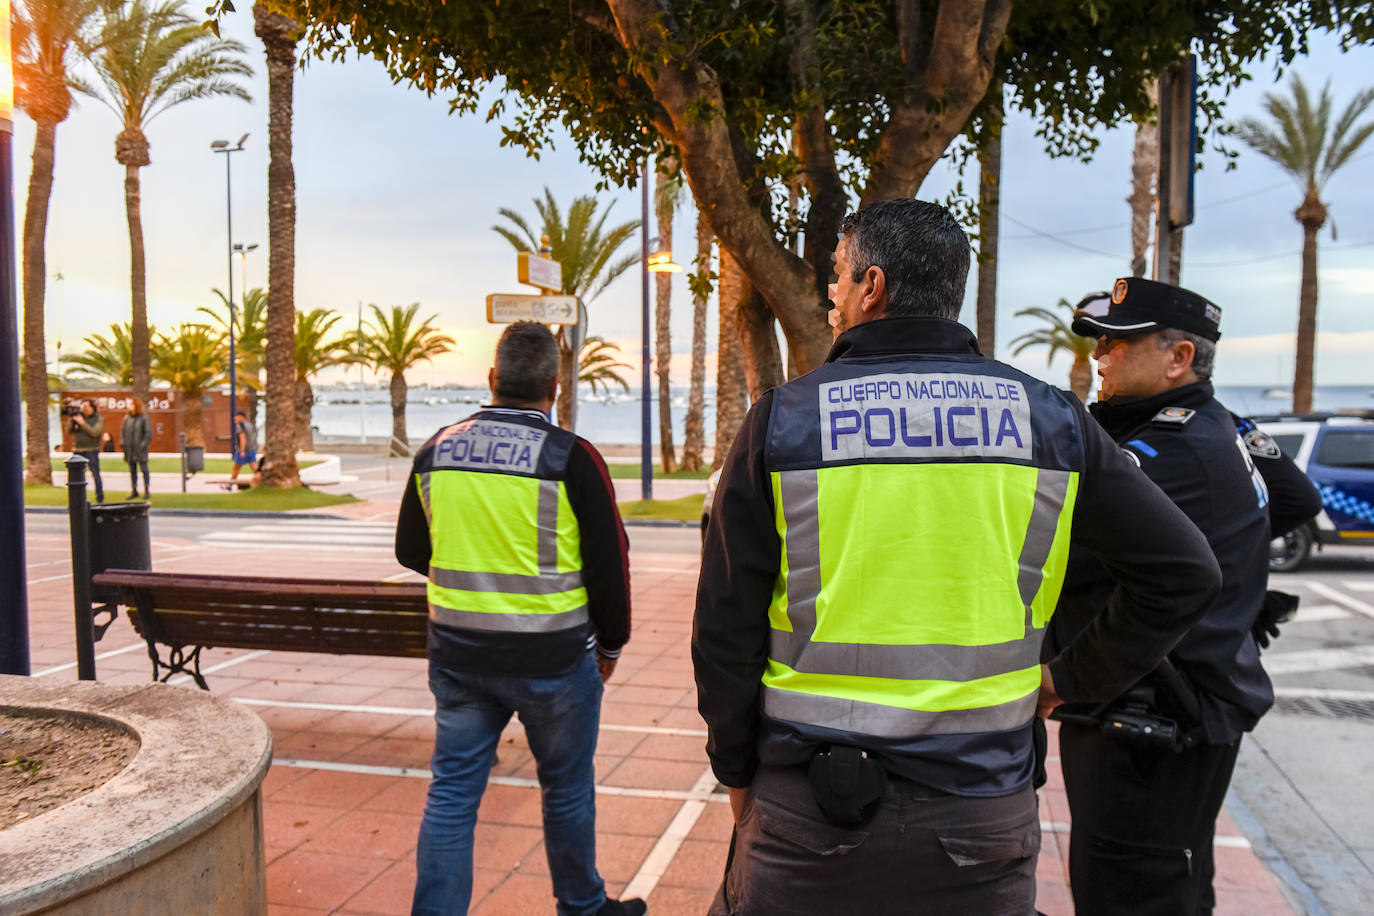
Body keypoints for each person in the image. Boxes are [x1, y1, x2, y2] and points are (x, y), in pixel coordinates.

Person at [693, 199, 1223, 916]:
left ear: (873, 286)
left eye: (838, 275)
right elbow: (1184, 572)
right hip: (982, 808)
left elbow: (724, 627)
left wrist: (736, 772)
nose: (830, 295)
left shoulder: (786, 421)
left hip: (807, 808)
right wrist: (1068, 680)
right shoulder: (1051, 421)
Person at [1047, 277, 1321, 914]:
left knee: (1126, 891)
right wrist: (1231, 573)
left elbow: (1059, 551)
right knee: (1176, 879)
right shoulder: (1220, 422)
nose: (1099, 354)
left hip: (1150, 714)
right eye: (1099, 342)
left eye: (1117, 343)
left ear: (1180, 358)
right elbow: (1293, 497)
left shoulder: (1167, 449)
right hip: (1184, 703)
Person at [395, 321, 645, 916]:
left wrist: (475, 579)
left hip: (460, 656)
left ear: (492, 378)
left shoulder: (436, 450)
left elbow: (410, 549)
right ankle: (582, 907)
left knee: (452, 795)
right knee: (566, 790)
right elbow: (610, 567)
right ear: (555, 387)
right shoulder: (571, 458)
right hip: (553, 661)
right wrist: (611, 646)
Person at [70, 399, 105, 503]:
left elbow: (95, 432)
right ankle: (79, 499)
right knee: (77, 476)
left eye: (86, 406)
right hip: (78, 450)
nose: (84, 409)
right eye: (83, 406)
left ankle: (100, 498)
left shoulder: (98, 419)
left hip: (91, 450)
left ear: (92, 407)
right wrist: (72, 421)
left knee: (95, 474)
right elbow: (69, 430)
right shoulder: (79, 417)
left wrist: (83, 423)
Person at [121, 396, 153, 499]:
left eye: (131, 404)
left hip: (140, 449)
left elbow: (148, 433)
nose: (128, 406)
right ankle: (134, 490)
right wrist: (123, 443)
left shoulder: (143, 418)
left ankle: (147, 490)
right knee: (132, 470)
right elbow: (123, 432)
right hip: (130, 449)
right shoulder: (127, 418)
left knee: (144, 469)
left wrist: (143, 444)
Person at [230, 409, 258, 482]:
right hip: (252, 449)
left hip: (243, 451)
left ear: (241, 416)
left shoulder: (240, 425)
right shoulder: (250, 425)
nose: (235, 419)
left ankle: (230, 484)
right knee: (255, 468)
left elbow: (243, 438)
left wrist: (242, 450)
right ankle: (262, 481)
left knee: (236, 468)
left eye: (236, 417)